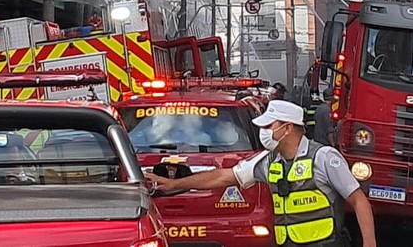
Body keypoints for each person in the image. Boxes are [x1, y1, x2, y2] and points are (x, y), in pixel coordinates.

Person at [147, 100, 376, 247]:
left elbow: (358, 201)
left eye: (269, 126)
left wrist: (369, 244)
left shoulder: (324, 158)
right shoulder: (268, 160)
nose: (263, 132)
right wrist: (173, 184)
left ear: (287, 128)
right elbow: (223, 177)